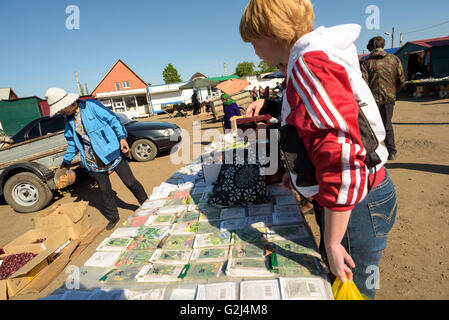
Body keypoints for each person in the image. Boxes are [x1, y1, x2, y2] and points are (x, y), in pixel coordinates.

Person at [240, 0, 397, 299]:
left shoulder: (309, 62)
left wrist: (333, 240)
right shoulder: (310, 57)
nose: (255, 50)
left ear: (273, 31)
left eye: (254, 40)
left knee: (351, 289)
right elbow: (312, 128)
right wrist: (301, 174)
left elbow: (342, 153)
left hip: (355, 205)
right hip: (352, 200)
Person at [45, 88, 148, 231]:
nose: (60, 112)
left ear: (68, 104)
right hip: (92, 159)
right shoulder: (68, 120)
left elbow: (113, 119)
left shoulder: (91, 106)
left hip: (111, 151)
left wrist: (122, 138)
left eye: (61, 109)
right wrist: (66, 162)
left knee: (129, 181)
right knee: (105, 190)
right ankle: (113, 217)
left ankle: (147, 204)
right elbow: (72, 143)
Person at [360, 36, 406, 161]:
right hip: (389, 98)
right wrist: (394, 91)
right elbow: (401, 79)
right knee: (387, 124)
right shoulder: (394, 59)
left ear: (370, 47)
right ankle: (392, 152)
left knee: (371, 126)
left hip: (371, 100)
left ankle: (375, 153)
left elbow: (362, 84)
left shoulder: (365, 62)